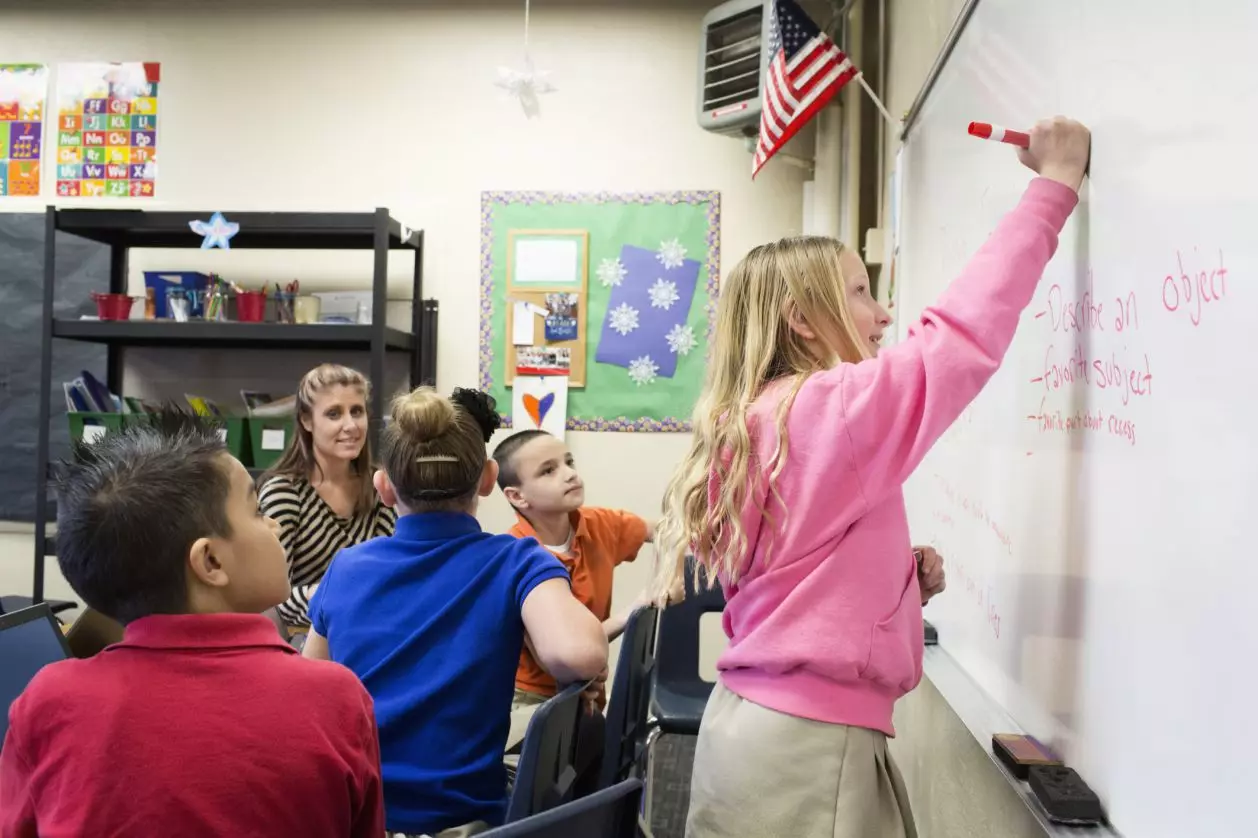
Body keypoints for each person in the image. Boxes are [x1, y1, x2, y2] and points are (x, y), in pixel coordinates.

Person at [652, 117, 1091, 838]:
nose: (883, 314)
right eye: (859, 292)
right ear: (801, 318)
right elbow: (956, 341)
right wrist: (1055, 185)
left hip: (761, 735)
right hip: (806, 752)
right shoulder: (824, 409)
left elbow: (792, 577)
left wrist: (892, 587)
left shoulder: (758, 418)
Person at [0, 412, 385, 838]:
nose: (274, 524)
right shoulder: (335, 697)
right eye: (258, 511)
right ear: (211, 562)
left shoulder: (47, 702)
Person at [302, 387, 608, 838]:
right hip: (468, 823)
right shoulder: (516, 560)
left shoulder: (346, 567)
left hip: (358, 817)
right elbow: (578, 655)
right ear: (487, 480)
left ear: (384, 487)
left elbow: (311, 691)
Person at [491, 429, 653, 714]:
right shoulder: (513, 555)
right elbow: (564, 655)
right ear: (517, 496)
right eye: (549, 471)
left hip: (587, 687)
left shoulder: (599, 524)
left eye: (569, 462)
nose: (569, 474)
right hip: (530, 702)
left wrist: (669, 574)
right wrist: (636, 608)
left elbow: (669, 531)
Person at [258, 363, 396, 628]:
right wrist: (327, 595)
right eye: (334, 414)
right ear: (306, 421)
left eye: (357, 411)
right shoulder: (284, 492)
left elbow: (393, 573)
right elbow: (268, 596)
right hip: (301, 642)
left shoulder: (379, 483)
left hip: (374, 632)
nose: (351, 425)